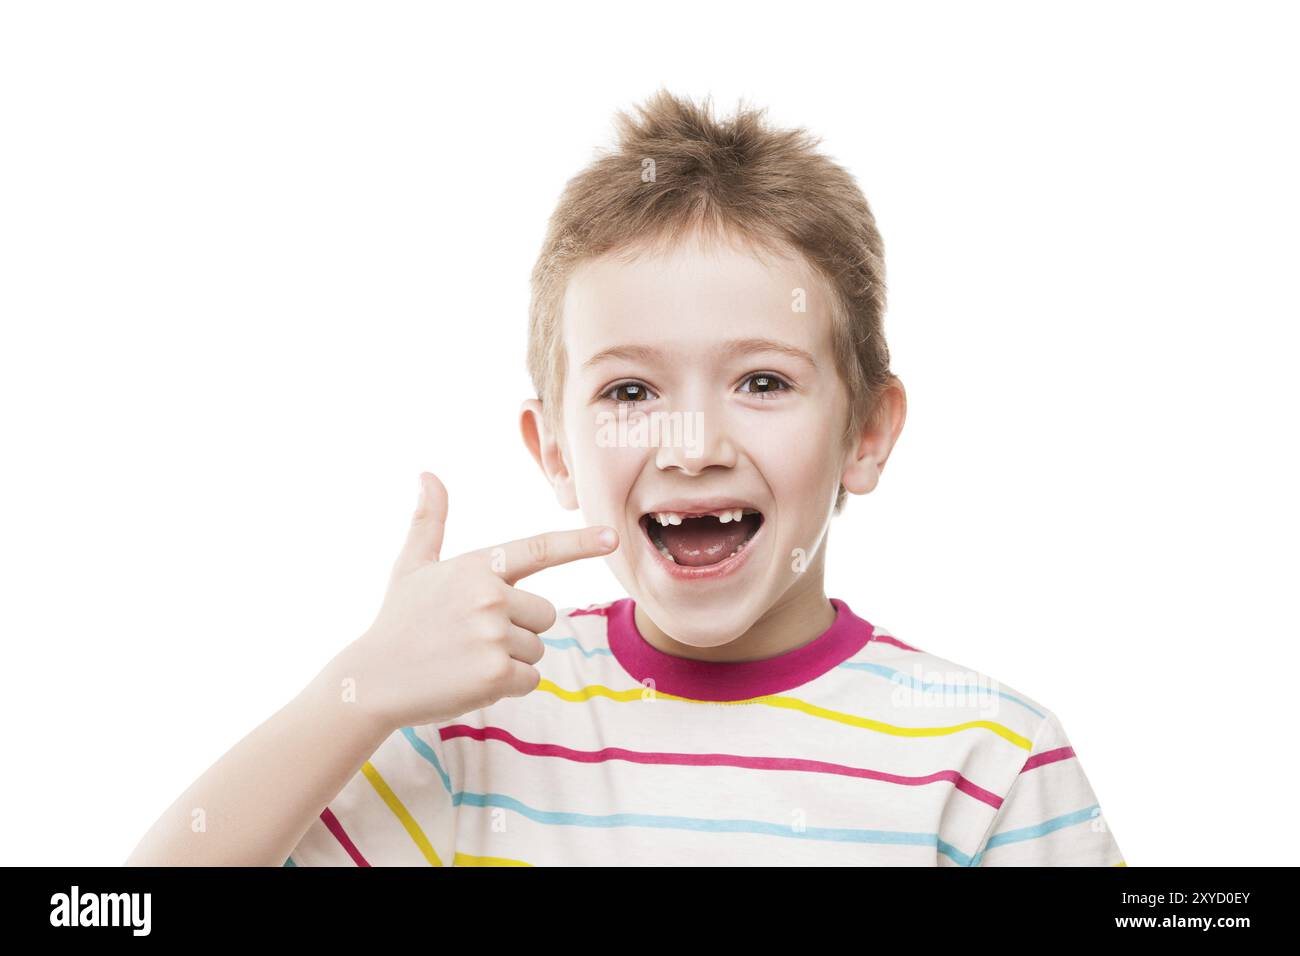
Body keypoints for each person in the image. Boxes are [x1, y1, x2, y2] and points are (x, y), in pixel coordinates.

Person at [126, 89, 1124, 867]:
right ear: (554, 449)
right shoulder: (475, 725)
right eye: (631, 389)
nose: (692, 444)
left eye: (763, 379)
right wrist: (356, 694)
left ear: (866, 430)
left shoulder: (988, 758)